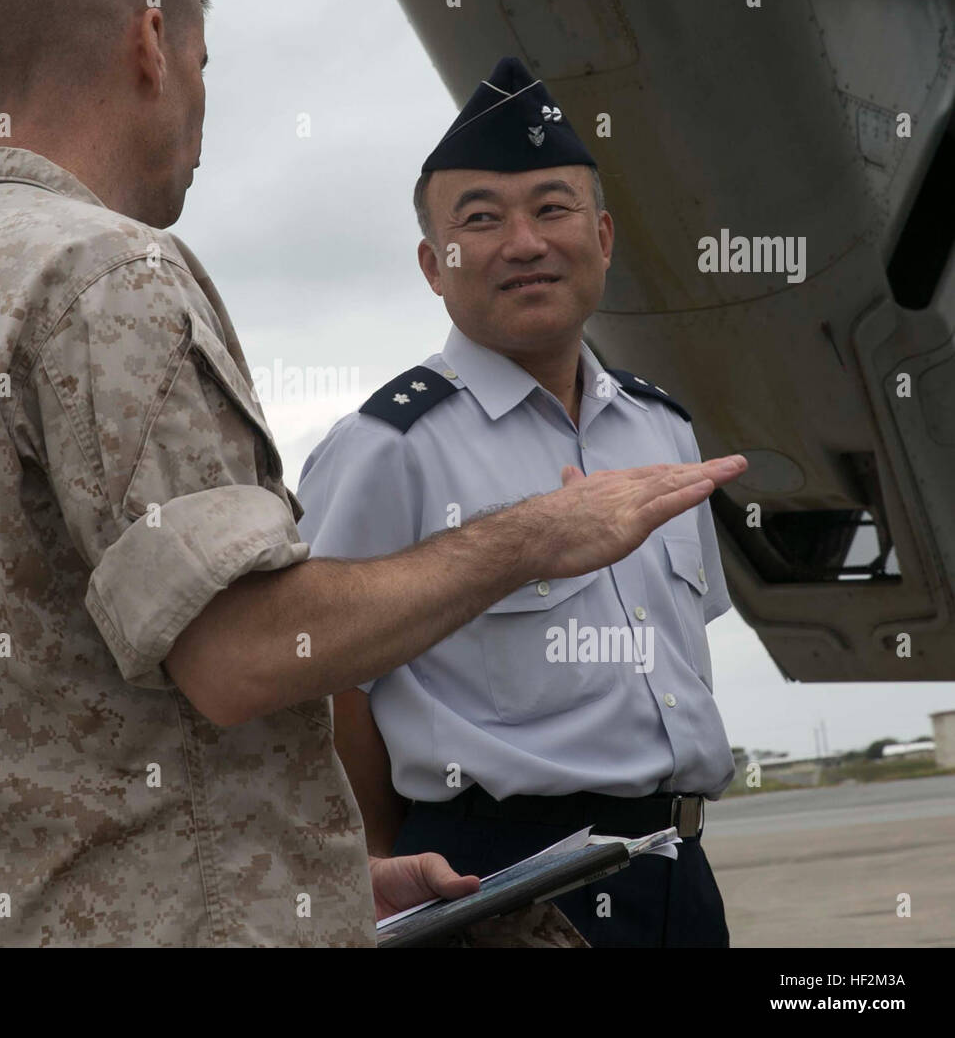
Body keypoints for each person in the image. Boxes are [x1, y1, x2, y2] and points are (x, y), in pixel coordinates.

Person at [0, 0, 747, 947]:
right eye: (202, 64)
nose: (201, 105)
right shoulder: (105, 272)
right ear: (152, 44)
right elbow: (242, 652)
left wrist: (332, 877)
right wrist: (535, 538)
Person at [297, 57, 740, 948]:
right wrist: (380, 863)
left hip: (678, 872)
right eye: (482, 219)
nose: (525, 242)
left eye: (551, 208)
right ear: (434, 264)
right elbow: (326, 682)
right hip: (497, 884)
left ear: (603, 237)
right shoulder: (390, 445)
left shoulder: (662, 428)